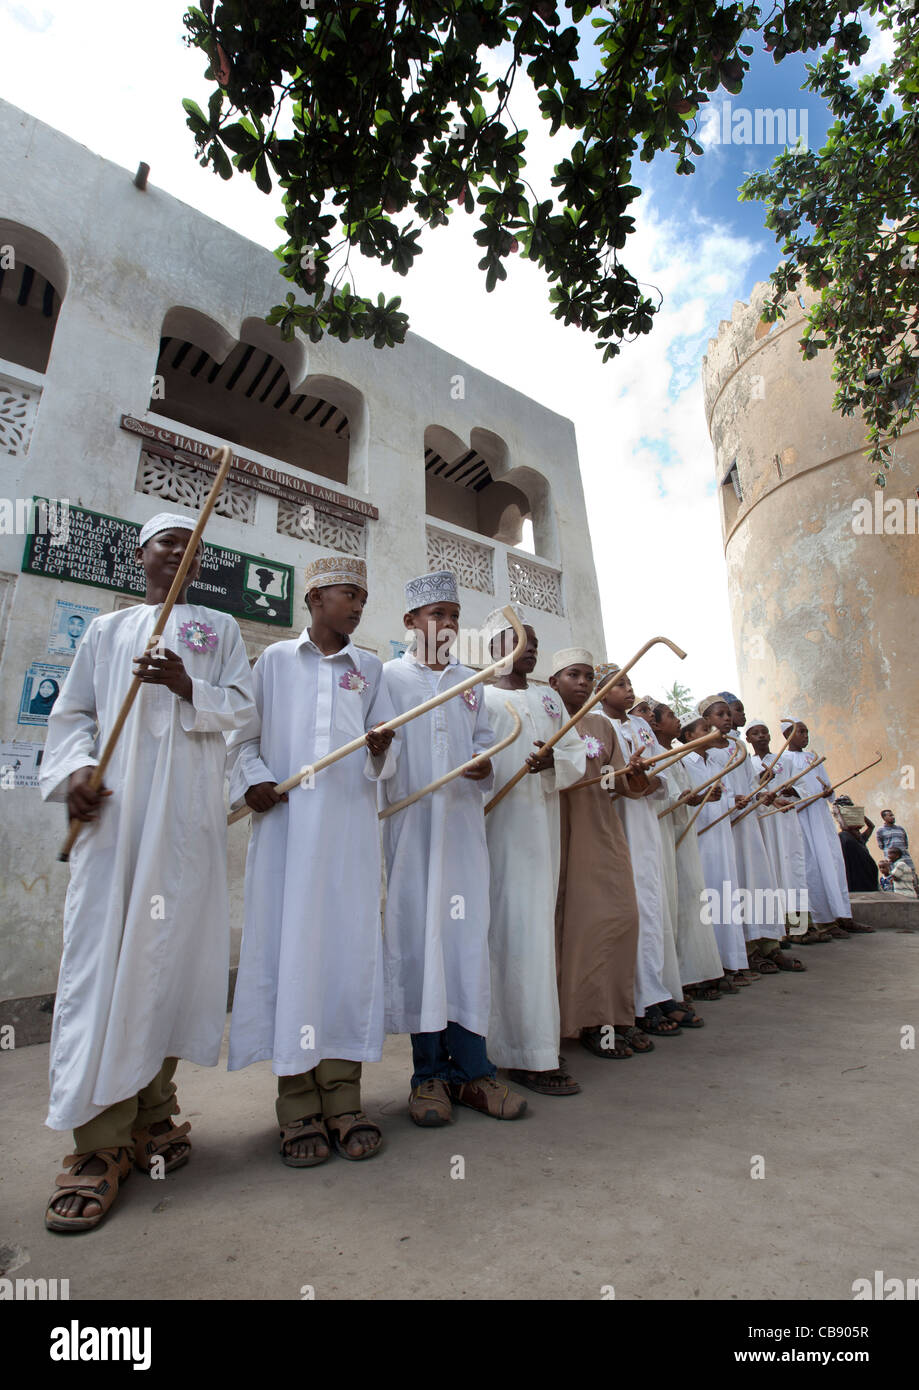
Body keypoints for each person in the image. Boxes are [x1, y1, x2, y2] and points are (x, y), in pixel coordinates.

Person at [40, 512, 255, 1232]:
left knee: (169, 966)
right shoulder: (106, 631)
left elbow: (243, 713)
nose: (179, 552)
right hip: (116, 824)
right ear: (140, 555)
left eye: (190, 546)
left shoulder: (217, 628)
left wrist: (189, 685)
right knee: (105, 968)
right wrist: (75, 771)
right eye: (167, 541)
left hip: (186, 830)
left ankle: (153, 1113)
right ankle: (98, 1146)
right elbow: (71, 715)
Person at [227, 555, 396, 1166]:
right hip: (288, 836)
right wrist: (256, 781)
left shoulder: (369, 668)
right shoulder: (273, 662)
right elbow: (242, 739)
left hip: (349, 837)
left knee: (345, 956)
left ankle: (344, 1099)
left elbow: (385, 755)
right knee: (291, 954)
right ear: (314, 600)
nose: (356, 606)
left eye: (363, 598)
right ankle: (297, 1105)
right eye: (348, 594)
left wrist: (381, 748)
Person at [379, 571, 525, 1125]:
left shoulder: (473, 681)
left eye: (453, 616)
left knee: (464, 946)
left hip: (463, 832)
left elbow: (485, 742)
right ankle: (428, 1078)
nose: (446, 624)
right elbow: (379, 759)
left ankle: (473, 1074)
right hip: (413, 833)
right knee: (422, 947)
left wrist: (484, 763)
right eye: (436, 614)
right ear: (411, 622)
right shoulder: (388, 678)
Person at [482, 607, 587, 1096]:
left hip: (541, 831)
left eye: (536, 641)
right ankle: (512, 1052)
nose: (532, 647)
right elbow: (466, 763)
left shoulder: (548, 698)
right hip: (494, 831)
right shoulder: (476, 696)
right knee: (504, 933)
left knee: (534, 933)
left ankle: (536, 1046)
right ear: (494, 647)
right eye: (521, 638)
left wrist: (551, 766)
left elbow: (574, 758)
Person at [550, 652, 646, 1059]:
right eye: (574, 675)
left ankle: (609, 1017)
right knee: (566, 927)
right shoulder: (545, 717)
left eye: (589, 676)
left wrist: (636, 774)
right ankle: (577, 1023)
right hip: (553, 832)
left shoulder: (601, 725)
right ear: (553, 681)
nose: (583, 682)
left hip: (600, 831)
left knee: (617, 918)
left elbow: (626, 786)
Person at [595, 668, 685, 1035]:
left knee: (652, 905)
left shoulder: (641, 727)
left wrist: (650, 781)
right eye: (619, 684)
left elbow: (663, 774)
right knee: (627, 910)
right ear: (601, 692)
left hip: (645, 823)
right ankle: (633, 1000)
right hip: (615, 823)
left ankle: (656, 991)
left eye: (630, 684)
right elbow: (595, 777)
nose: (629, 690)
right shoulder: (595, 724)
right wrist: (624, 780)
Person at [648, 701, 725, 1000]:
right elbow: (660, 795)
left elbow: (683, 793)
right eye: (670, 716)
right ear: (656, 725)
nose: (676, 719)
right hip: (666, 833)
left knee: (691, 899)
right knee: (675, 902)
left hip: (682, 832)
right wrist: (690, 799)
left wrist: (701, 797)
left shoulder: (678, 757)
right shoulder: (656, 752)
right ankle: (681, 977)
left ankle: (696, 973)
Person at [780, 718, 874, 936]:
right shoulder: (782, 759)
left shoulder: (813, 757)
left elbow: (829, 789)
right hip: (802, 819)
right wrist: (798, 795)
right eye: (800, 732)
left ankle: (843, 916)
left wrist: (826, 793)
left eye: (806, 731)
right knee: (811, 867)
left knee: (833, 863)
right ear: (787, 735)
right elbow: (784, 791)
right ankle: (823, 921)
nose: (806, 735)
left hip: (821, 818)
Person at [682, 703, 749, 992]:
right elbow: (681, 799)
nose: (711, 733)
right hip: (700, 839)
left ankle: (729, 962)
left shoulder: (713, 762)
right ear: (687, 736)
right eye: (705, 729)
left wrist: (734, 802)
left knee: (726, 898)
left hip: (720, 837)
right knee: (705, 899)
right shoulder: (683, 762)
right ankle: (708, 966)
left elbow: (727, 794)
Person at [745, 718, 809, 970]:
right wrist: (761, 780)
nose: (761, 736)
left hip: (785, 821)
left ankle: (796, 927)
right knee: (768, 874)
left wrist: (790, 790)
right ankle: (774, 932)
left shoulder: (786, 761)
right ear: (748, 738)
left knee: (791, 871)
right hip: (764, 822)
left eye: (764, 732)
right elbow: (750, 791)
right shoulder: (747, 763)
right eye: (755, 733)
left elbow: (802, 787)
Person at [876, 810, 915, 879]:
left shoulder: (900, 828)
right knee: (895, 877)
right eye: (890, 815)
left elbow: (905, 843)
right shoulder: (880, 831)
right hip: (892, 860)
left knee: (911, 875)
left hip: (905, 857)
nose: (893, 817)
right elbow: (881, 846)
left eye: (893, 815)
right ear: (884, 817)